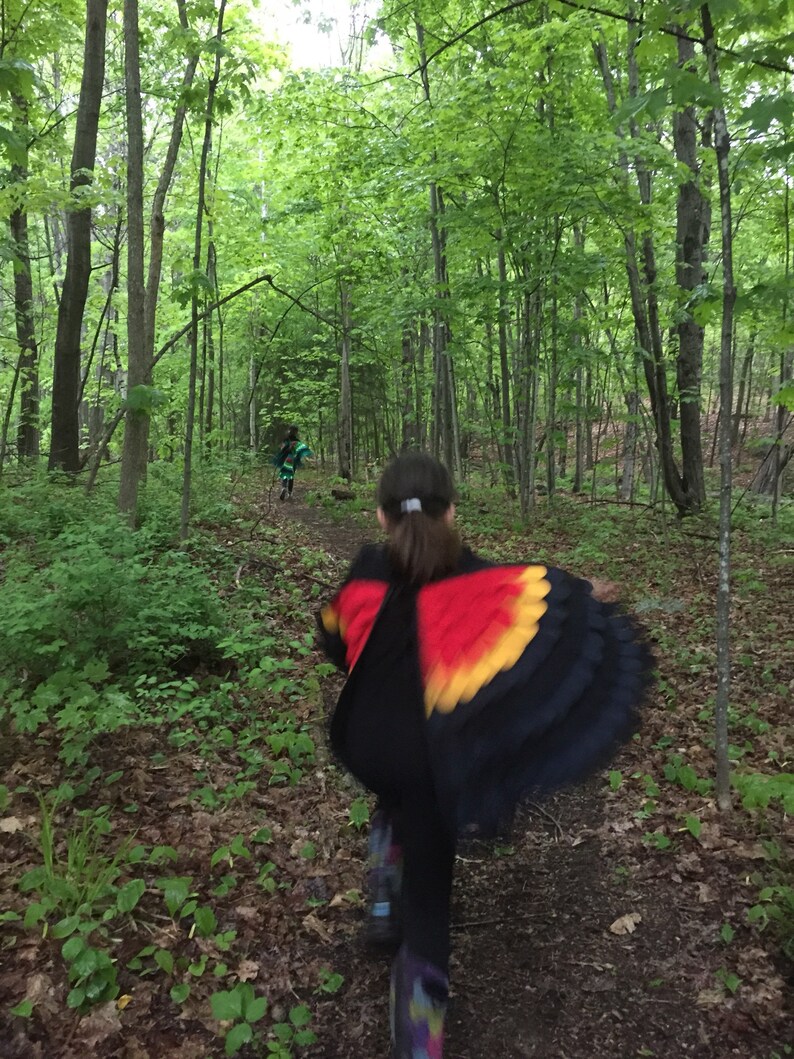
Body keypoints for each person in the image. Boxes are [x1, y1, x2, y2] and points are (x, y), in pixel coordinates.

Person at [317, 452, 653, 1059]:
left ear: (378, 516)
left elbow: (332, 641)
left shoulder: (364, 571)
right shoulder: (479, 579)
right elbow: (547, 604)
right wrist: (589, 595)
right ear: (451, 512)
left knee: (392, 795)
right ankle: (420, 1039)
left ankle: (382, 893)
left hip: (367, 740)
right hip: (436, 756)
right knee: (432, 885)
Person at [273, 425, 312, 500]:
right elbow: (299, 452)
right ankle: (290, 493)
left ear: (289, 431)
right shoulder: (297, 441)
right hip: (293, 459)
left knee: (284, 473)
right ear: (296, 432)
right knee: (291, 475)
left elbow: (282, 449)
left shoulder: (285, 440)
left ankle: (284, 487)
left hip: (285, 458)